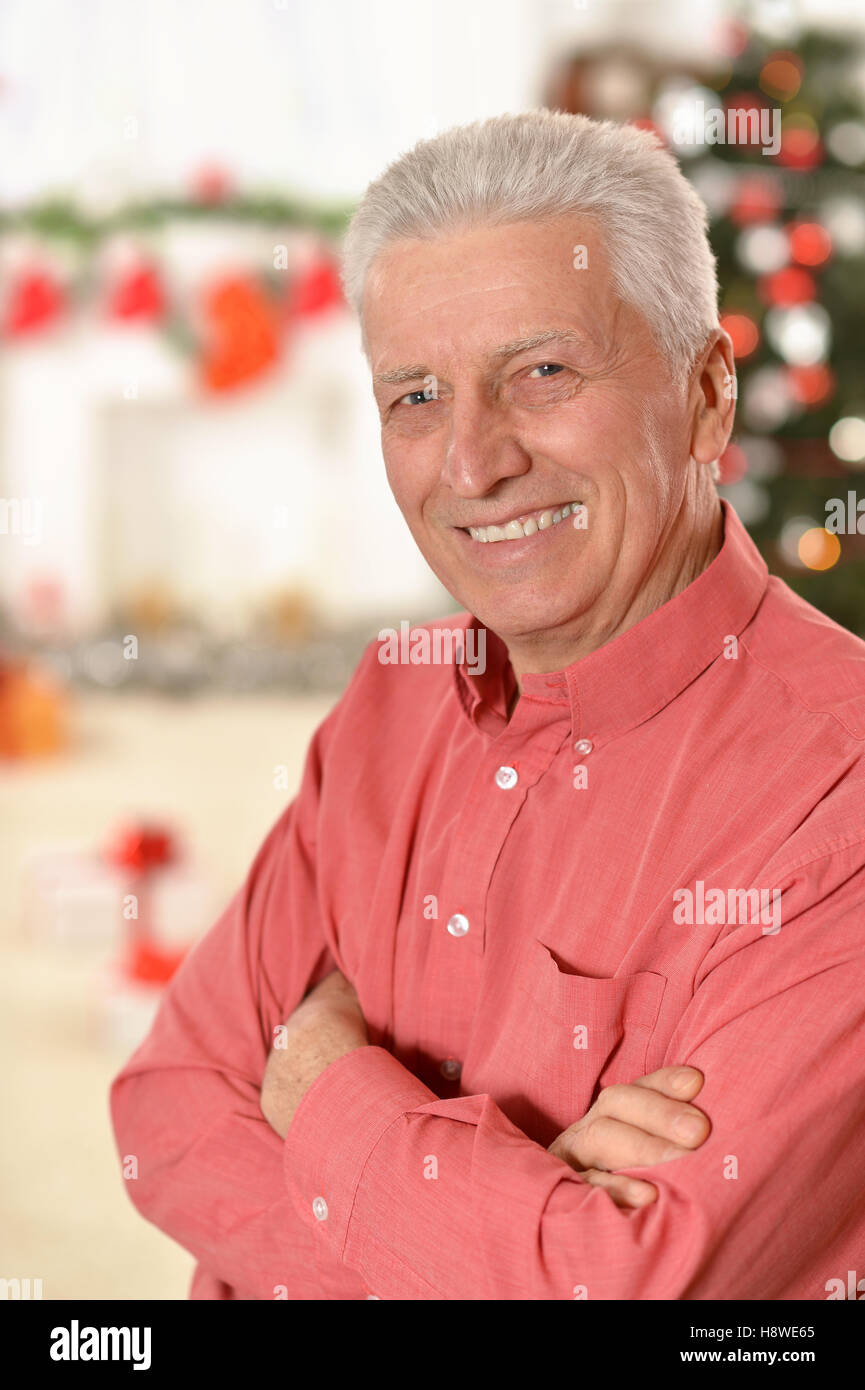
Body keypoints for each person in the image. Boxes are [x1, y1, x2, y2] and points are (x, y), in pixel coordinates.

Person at [110, 110, 865, 1301]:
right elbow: (162, 1106)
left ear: (707, 395)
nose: (471, 463)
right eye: (414, 396)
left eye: (543, 373)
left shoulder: (842, 791)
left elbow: (635, 1291)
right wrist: (498, 1239)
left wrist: (322, 1089)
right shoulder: (390, 695)